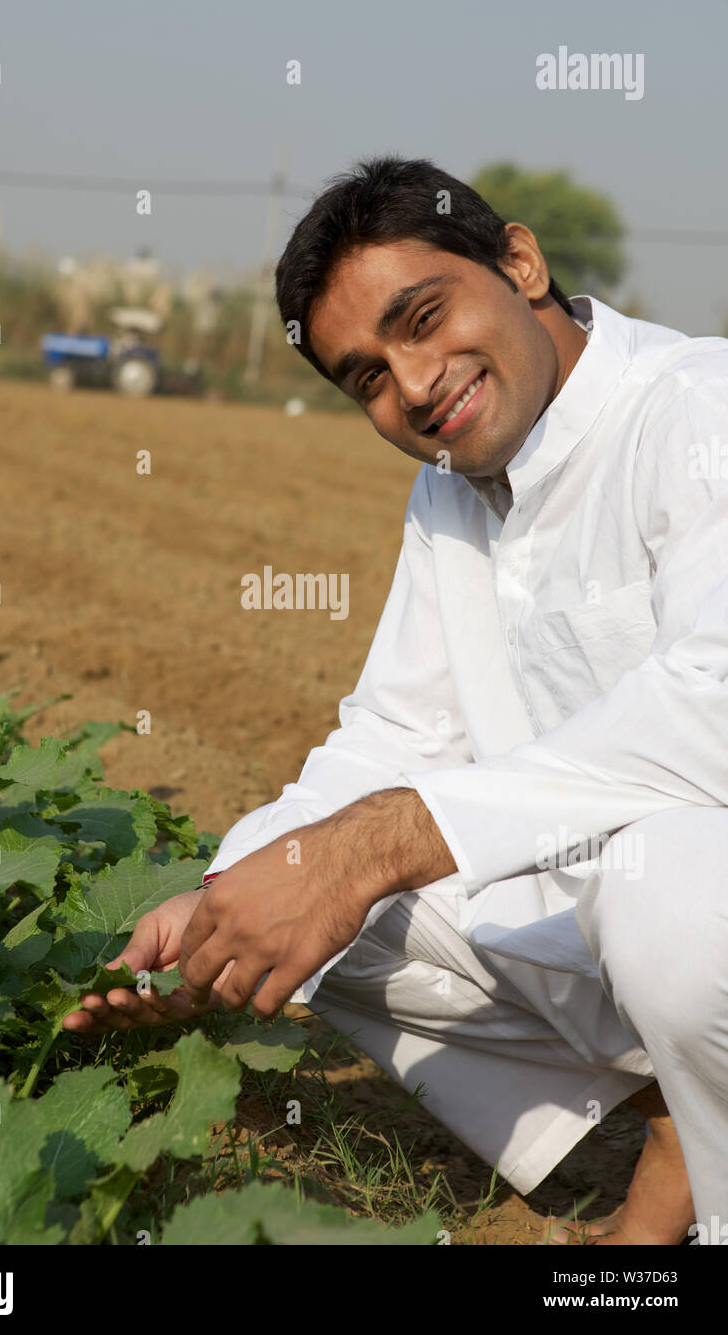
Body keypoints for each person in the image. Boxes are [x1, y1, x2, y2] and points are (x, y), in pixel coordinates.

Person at [64, 155, 728, 1245]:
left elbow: (711, 704)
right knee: (323, 918)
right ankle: (677, 1119)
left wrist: (371, 847)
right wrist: (233, 897)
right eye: (366, 375)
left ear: (518, 262)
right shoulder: (452, 488)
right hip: (641, 929)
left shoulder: (694, 409)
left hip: (690, 912)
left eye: (422, 318)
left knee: (662, 908)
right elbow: (396, 731)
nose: (412, 386)